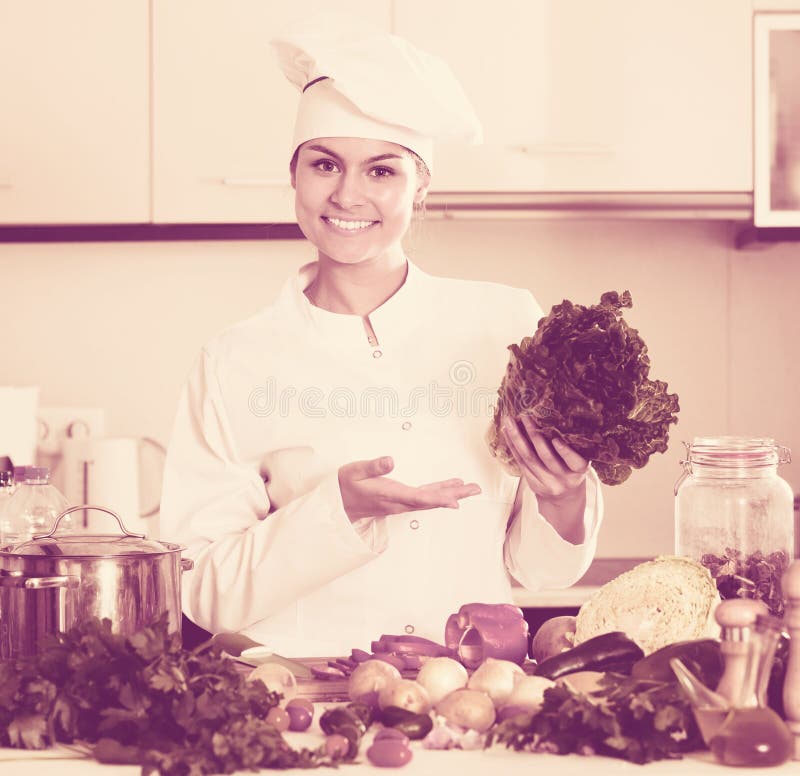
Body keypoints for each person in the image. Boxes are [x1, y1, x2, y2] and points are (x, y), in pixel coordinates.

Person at [160, 31, 604, 657]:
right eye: (324, 164)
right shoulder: (235, 361)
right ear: (293, 173)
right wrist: (334, 510)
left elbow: (544, 572)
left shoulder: (506, 324)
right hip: (302, 700)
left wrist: (563, 497)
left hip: (473, 695)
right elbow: (201, 588)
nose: (347, 195)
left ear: (420, 186)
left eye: (381, 170)